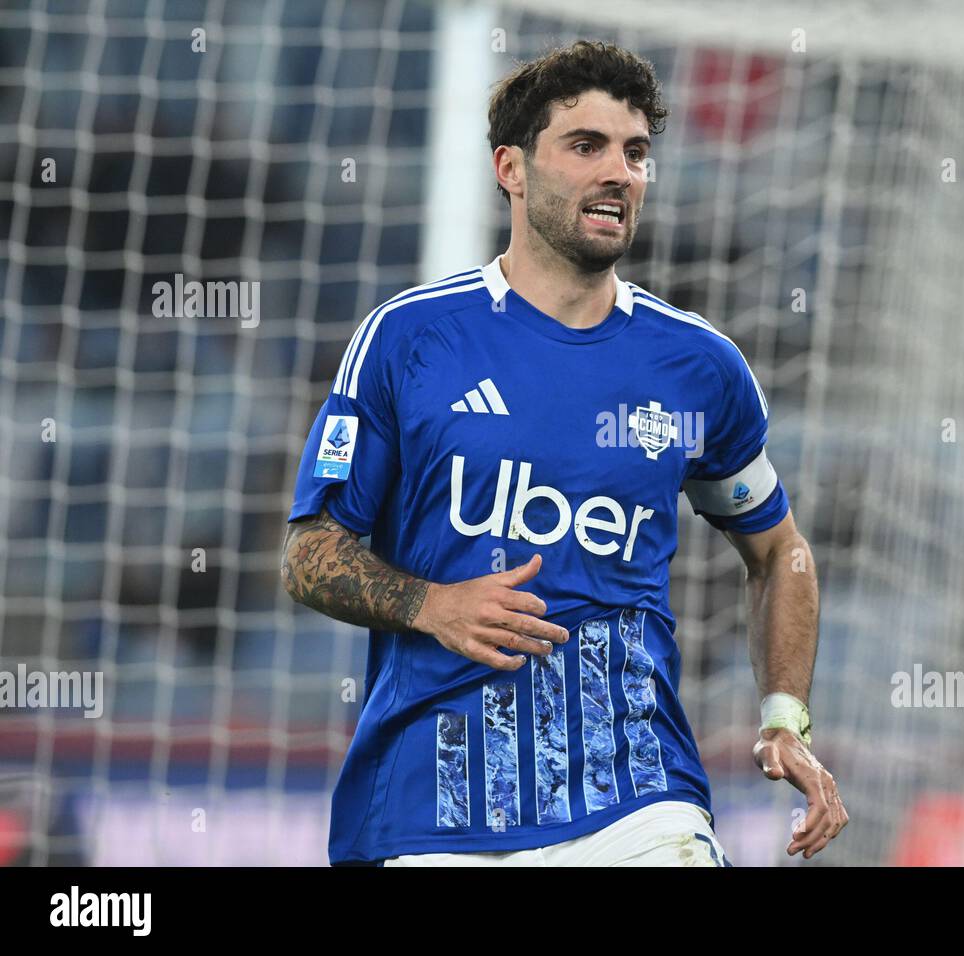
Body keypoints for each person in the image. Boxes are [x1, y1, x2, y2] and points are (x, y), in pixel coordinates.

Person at [281, 39, 847, 866]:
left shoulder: (697, 366)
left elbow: (780, 551)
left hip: (637, 799)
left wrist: (784, 716)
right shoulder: (409, 339)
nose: (619, 173)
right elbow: (309, 552)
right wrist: (432, 606)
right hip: (435, 809)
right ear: (511, 168)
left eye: (636, 153)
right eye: (586, 146)